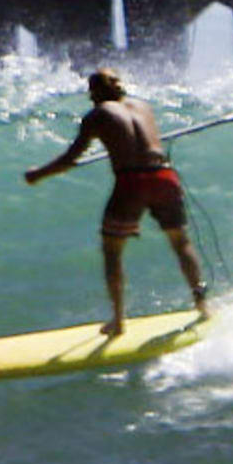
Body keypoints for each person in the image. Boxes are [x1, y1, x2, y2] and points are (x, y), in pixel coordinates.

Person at [23, 66, 209, 336]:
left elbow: (70, 159)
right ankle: (202, 305)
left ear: (95, 93)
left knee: (112, 251)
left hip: (132, 183)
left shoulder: (96, 115)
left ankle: (118, 321)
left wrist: (37, 174)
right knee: (181, 242)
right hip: (165, 177)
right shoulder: (143, 107)